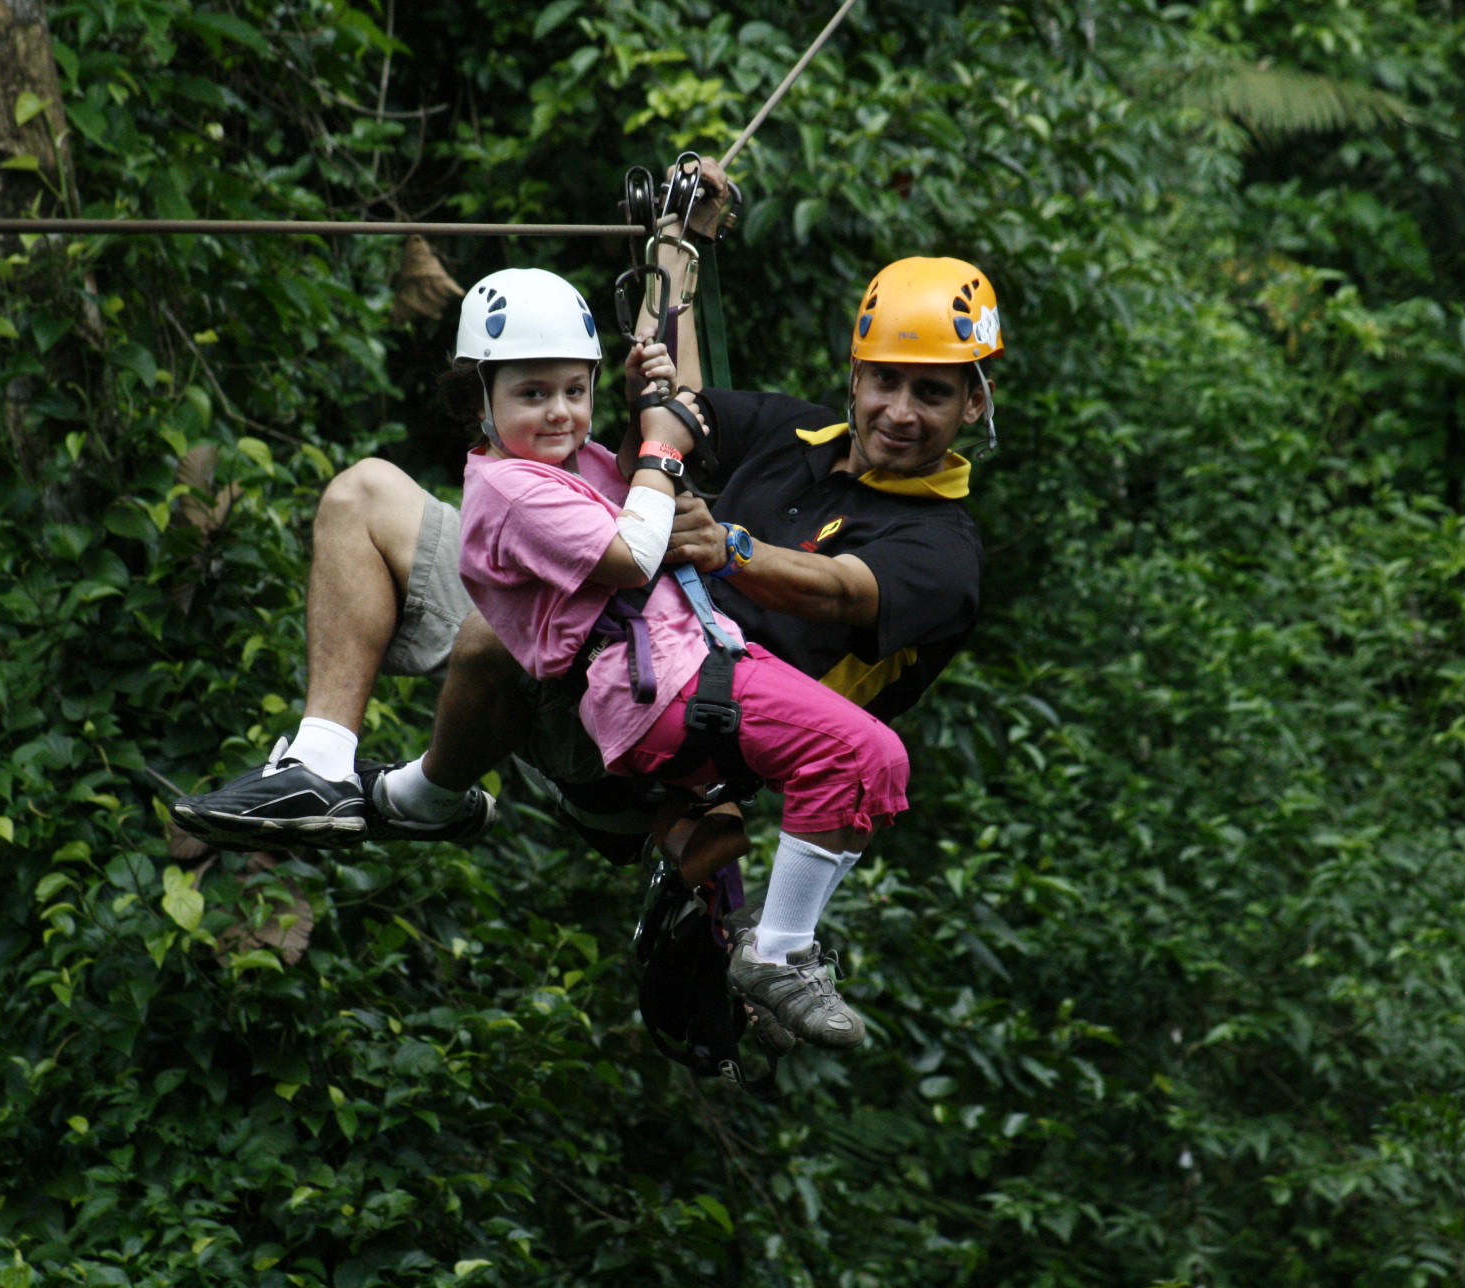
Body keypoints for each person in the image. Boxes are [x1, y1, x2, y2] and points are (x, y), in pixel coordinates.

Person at [175, 165, 1001, 1034]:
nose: (900, 411)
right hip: (594, 605)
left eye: (933, 392)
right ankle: (321, 763)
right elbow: (668, 406)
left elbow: (842, 589)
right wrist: (678, 248)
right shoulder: (788, 435)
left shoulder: (943, 548)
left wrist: (736, 549)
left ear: (974, 402)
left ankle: (423, 800)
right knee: (363, 495)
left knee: (493, 644)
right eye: (886, 381)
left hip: (663, 717)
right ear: (856, 374)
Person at [426, 265, 906, 1047]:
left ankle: (746, 970)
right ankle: (777, 952)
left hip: (689, 664)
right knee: (863, 752)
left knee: (834, 776)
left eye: (571, 393)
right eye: (532, 394)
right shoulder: (512, 487)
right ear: (479, 399)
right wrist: (661, 442)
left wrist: (642, 372)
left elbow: (635, 460)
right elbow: (636, 542)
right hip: (657, 687)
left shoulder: (556, 462)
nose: (558, 413)